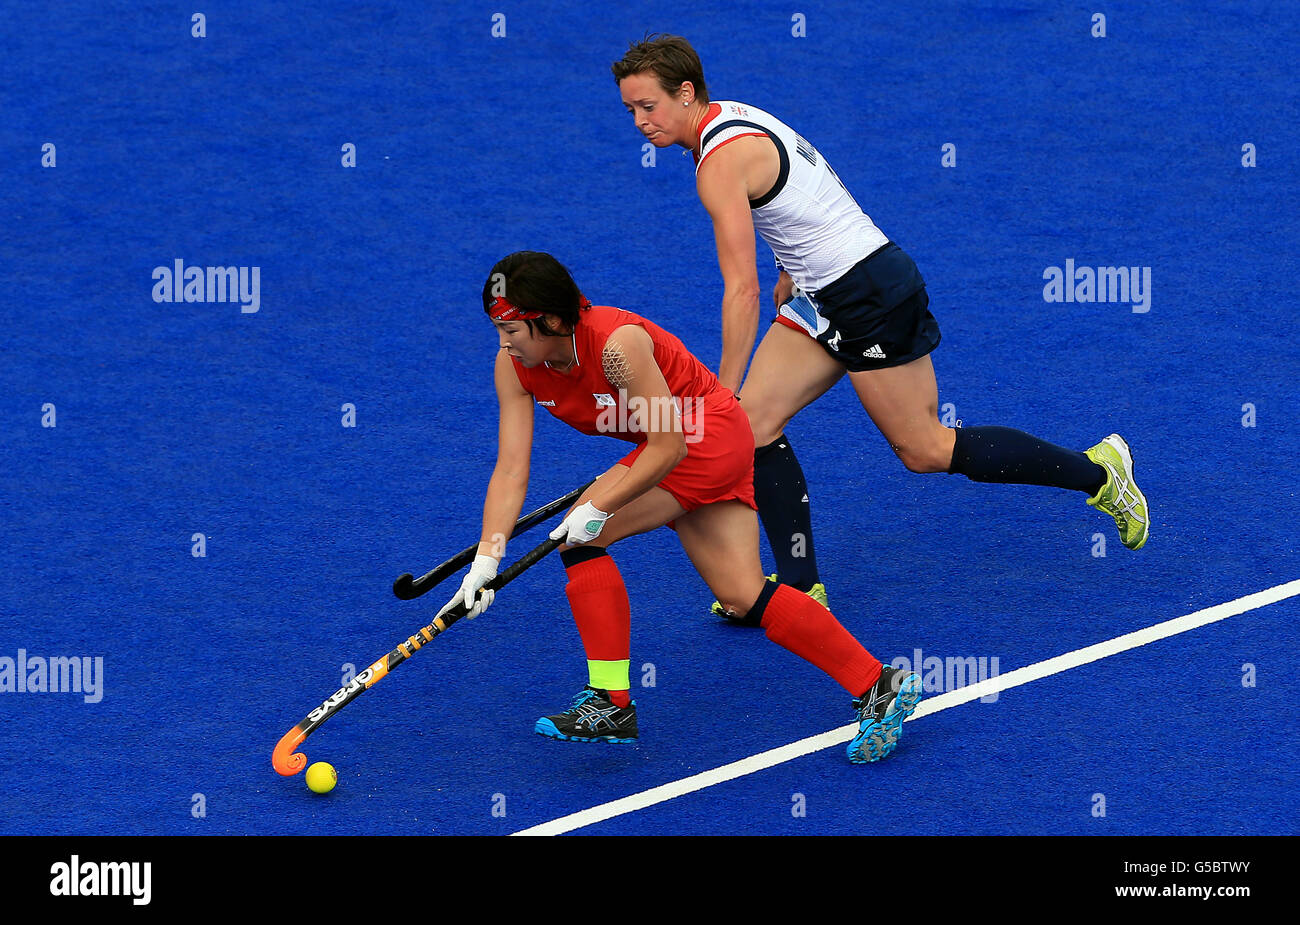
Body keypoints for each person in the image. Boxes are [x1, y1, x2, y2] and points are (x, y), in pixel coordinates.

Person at [611, 35, 1150, 618]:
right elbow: (803, 195)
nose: (641, 122)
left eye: (649, 106)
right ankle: (800, 586)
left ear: (686, 93)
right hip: (826, 293)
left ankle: (1099, 474)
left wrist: (718, 391)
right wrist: (792, 267)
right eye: (631, 111)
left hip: (872, 295)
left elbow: (739, 291)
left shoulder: (717, 162)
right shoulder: (731, 119)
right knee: (754, 425)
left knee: (923, 448)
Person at [436, 250, 923, 763]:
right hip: (679, 445)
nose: (503, 342)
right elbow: (511, 469)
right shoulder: (514, 367)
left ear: (552, 320)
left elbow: (668, 446)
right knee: (741, 595)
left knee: (583, 536)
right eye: (497, 329)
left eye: (511, 329)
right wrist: (487, 558)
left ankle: (610, 702)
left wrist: (598, 509)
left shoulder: (616, 348)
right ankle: (879, 683)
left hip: (702, 438)